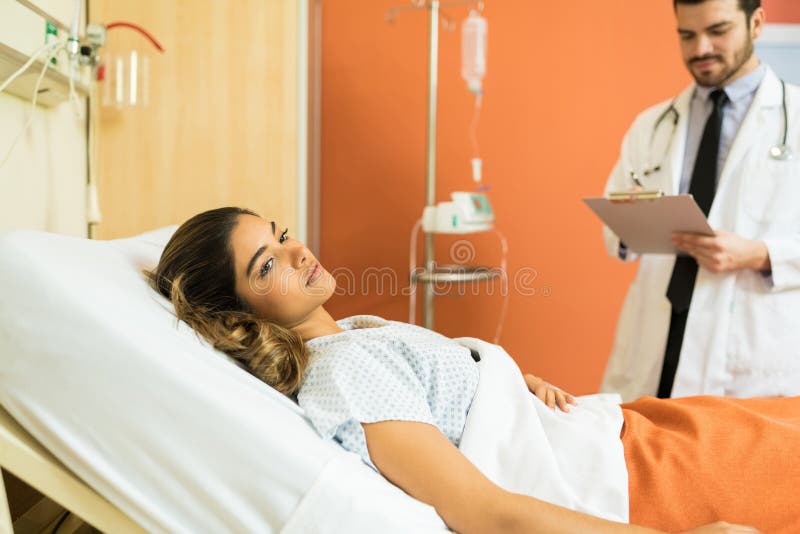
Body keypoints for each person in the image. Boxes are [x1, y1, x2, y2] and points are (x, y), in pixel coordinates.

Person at [150, 207, 800, 534]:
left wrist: (508, 383)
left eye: (282, 231)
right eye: (266, 264)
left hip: (628, 430)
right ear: (236, 319)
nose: (297, 250)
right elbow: (485, 511)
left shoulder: (350, 336)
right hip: (637, 482)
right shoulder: (343, 374)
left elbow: (463, 410)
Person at [600, 0, 800, 401]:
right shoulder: (652, 124)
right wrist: (632, 221)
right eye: (687, 35)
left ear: (756, 23)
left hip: (749, 349)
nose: (701, 49)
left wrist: (760, 254)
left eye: (718, 31)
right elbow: (613, 234)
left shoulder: (793, 118)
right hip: (660, 340)